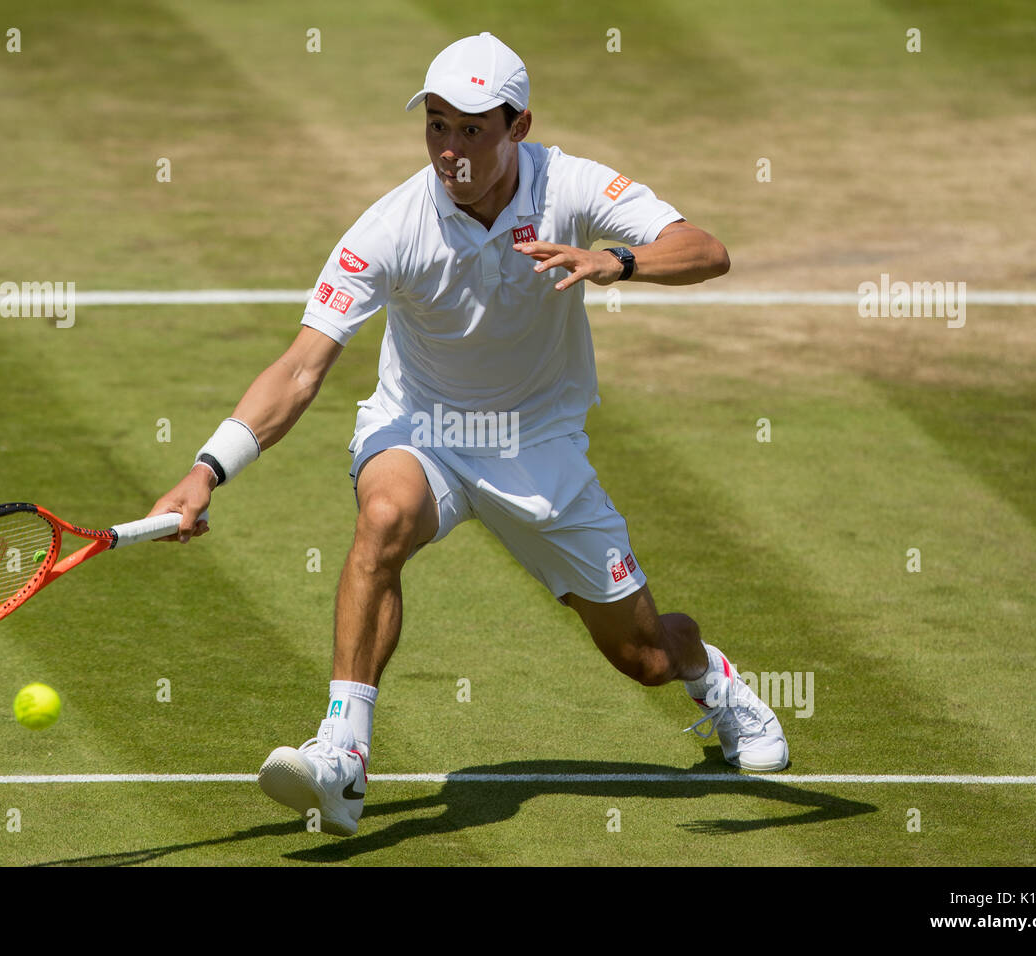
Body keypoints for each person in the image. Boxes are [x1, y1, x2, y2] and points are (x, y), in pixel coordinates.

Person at [147, 32, 788, 837]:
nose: (451, 150)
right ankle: (342, 757)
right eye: (437, 126)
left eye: (472, 130)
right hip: (425, 430)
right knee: (383, 517)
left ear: (519, 126)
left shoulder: (574, 183)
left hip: (539, 446)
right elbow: (301, 368)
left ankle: (711, 677)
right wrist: (209, 468)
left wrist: (616, 261)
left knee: (646, 658)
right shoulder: (388, 227)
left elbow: (707, 250)